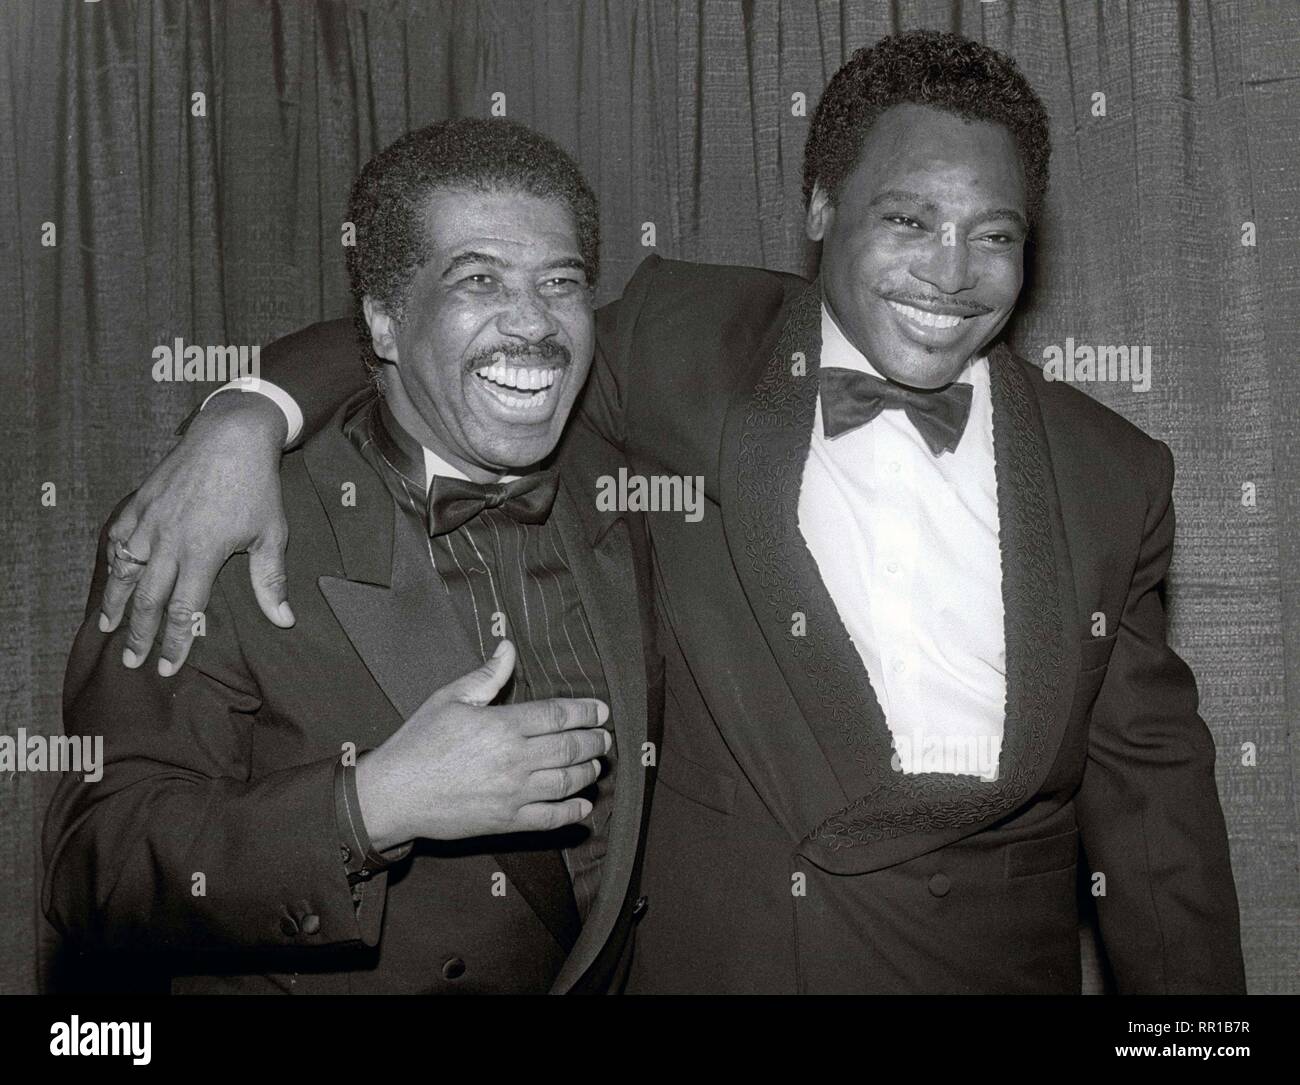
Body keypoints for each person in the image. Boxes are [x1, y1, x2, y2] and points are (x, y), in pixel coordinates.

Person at [87, 31, 1245, 993]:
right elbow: (452, 322)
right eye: (905, 221)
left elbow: (1154, 823)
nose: (950, 271)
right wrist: (246, 411)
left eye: (991, 234)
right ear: (821, 204)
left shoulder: (1114, 472)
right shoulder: (682, 341)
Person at [43, 119, 662, 994]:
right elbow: (94, 864)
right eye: (478, 278)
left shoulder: (628, 486)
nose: (533, 322)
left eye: (560, 282)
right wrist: (370, 805)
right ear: (381, 319)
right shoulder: (218, 528)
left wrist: (254, 399)